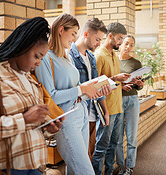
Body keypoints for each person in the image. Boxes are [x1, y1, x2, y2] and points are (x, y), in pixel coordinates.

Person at [0, 17, 64, 175]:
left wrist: (47, 128)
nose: (39, 63)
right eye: (37, 56)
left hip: (36, 164)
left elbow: (32, 127)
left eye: (42, 58)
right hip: (7, 167)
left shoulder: (31, 81)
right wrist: (23, 119)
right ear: (22, 46)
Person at [35, 13, 106, 175]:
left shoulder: (66, 57)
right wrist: (81, 89)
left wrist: (93, 88)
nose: (75, 39)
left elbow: (76, 88)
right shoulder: (45, 58)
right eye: (73, 33)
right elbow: (51, 96)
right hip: (66, 119)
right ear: (61, 30)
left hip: (81, 113)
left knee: (75, 170)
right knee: (85, 171)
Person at [92, 22, 131, 175]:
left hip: (118, 107)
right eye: (120, 38)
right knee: (101, 147)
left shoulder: (114, 55)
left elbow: (111, 82)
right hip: (106, 109)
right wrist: (116, 78)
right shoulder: (99, 55)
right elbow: (95, 85)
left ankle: (108, 172)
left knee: (113, 145)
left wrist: (123, 84)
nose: (121, 42)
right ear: (110, 36)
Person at [69, 17, 111, 161]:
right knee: (79, 160)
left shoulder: (92, 58)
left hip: (93, 115)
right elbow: (75, 89)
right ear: (86, 34)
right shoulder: (69, 56)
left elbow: (96, 85)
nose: (99, 44)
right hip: (79, 116)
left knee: (89, 156)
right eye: (97, 39)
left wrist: (105, 111)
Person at [115, 35, 144, 175]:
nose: (128, 47)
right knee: (118, 138)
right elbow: (110, 81)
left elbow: (139, 85)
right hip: (117, 101)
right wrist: (120, 86)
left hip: (132, 100)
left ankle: (130, 167)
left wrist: (139, 84)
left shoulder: (136, 63)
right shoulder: (114, 61)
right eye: (126, 44)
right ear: (121, 44)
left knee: (131, 137)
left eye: (131, 45)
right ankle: (121, 166)